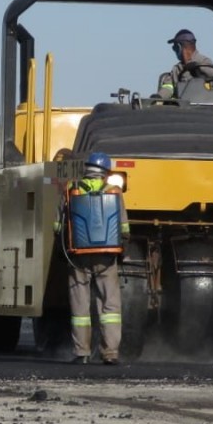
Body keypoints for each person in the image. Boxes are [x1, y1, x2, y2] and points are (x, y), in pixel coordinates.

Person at [56, 152, 130, 365]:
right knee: (110, 305)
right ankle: (110, 353)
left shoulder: (72, 189)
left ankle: (82, 352)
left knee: (80, 306)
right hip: (107, 255)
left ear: (86, 169)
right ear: (105, 172)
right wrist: (122, 250)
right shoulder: (114, 191)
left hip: (78, 255)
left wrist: (62, 250)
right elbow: (124, 227)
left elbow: (58, 225)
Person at [156, 29, 213, 100]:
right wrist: (159, 96)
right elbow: (168, 87)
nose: (174, 50)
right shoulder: (176, 69)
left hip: (205, 103)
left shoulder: (204, 61)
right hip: (183, 105)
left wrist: (197, 69)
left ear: (179, 47)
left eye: (174, 47)